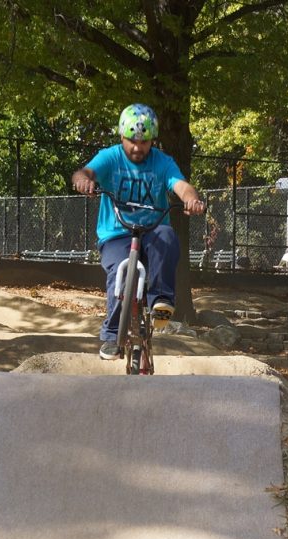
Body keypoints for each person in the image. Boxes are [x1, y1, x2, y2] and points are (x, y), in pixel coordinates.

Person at [72, 103, 206, 360]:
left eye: (144, 142)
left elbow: (182, 186)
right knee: (120, 268)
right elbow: (85, 172)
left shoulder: (162, 162)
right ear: (121, 136)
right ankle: (112, 334)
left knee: (168, 237)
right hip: (116, 232)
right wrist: (84, 181)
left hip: (153, 230)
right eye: (132, 140)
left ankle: (161, 303)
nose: (137, 147)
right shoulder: (110, 157)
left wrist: (192, 200)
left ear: (152, 141)